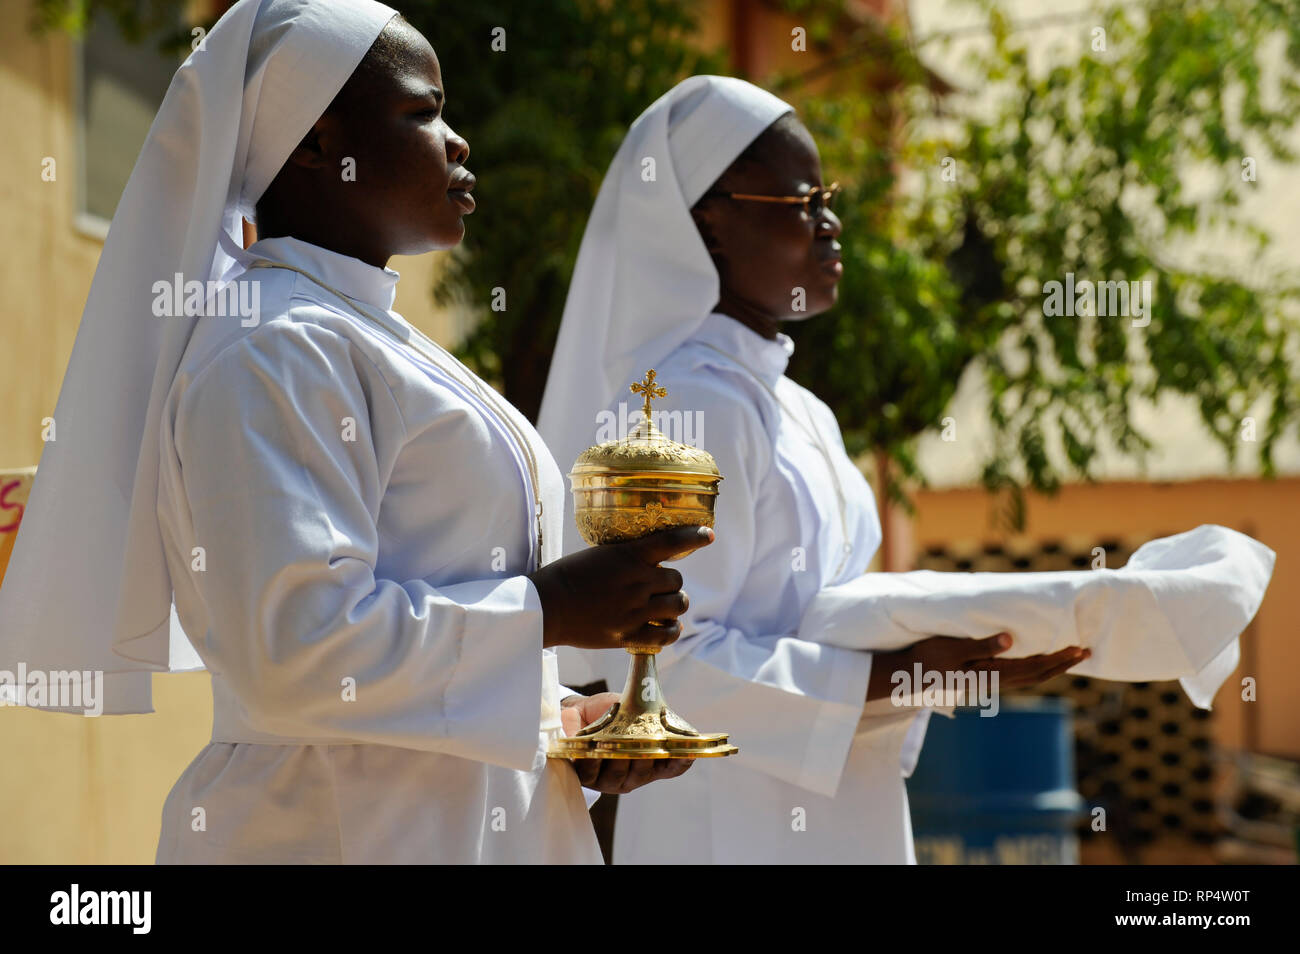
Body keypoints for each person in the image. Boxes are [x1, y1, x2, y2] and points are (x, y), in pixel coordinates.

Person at [0, 0, 706, 864]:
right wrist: (552, 609)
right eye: (423, 111)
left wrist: (555, 720)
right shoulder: (273, 348)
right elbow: (300, 650)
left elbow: (417, 643)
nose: (459, 141)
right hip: (334, 830)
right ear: (316, 144)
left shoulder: (367, 339)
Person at [538, 75, 1088, 864]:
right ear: (710, 225)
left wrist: (953, 657)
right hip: (726, 824)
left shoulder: (800, 408)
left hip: (843, 803)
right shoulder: (681, 403)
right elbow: (666, 667)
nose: (831, 226)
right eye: (801, 204)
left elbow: (827, 615)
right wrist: (898, 675)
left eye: (828, 199)